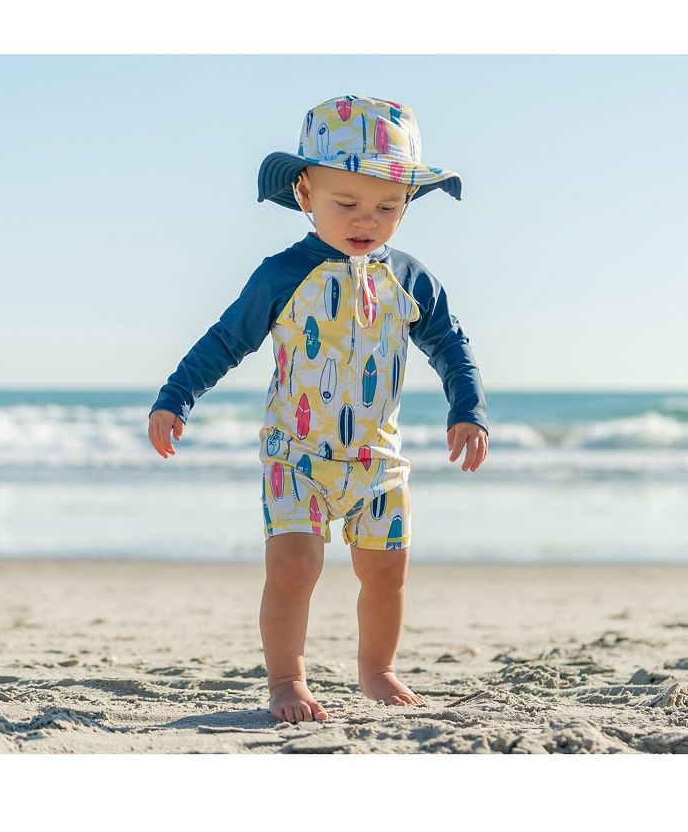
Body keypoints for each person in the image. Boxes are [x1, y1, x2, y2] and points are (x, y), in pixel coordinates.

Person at [148, 95, 489, 723]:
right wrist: (177, 397)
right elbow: (227, 340)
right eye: (348, 203)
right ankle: (286, 678)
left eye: (388, 207)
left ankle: (377, 668)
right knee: (295, 564)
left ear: (407, 205)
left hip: (376, 461)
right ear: (306, 192)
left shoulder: (409, 278)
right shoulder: (282, 275)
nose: (369, 220)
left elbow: (449, 344)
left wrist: (467, 408)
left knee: (386, 571)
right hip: (295, 455)